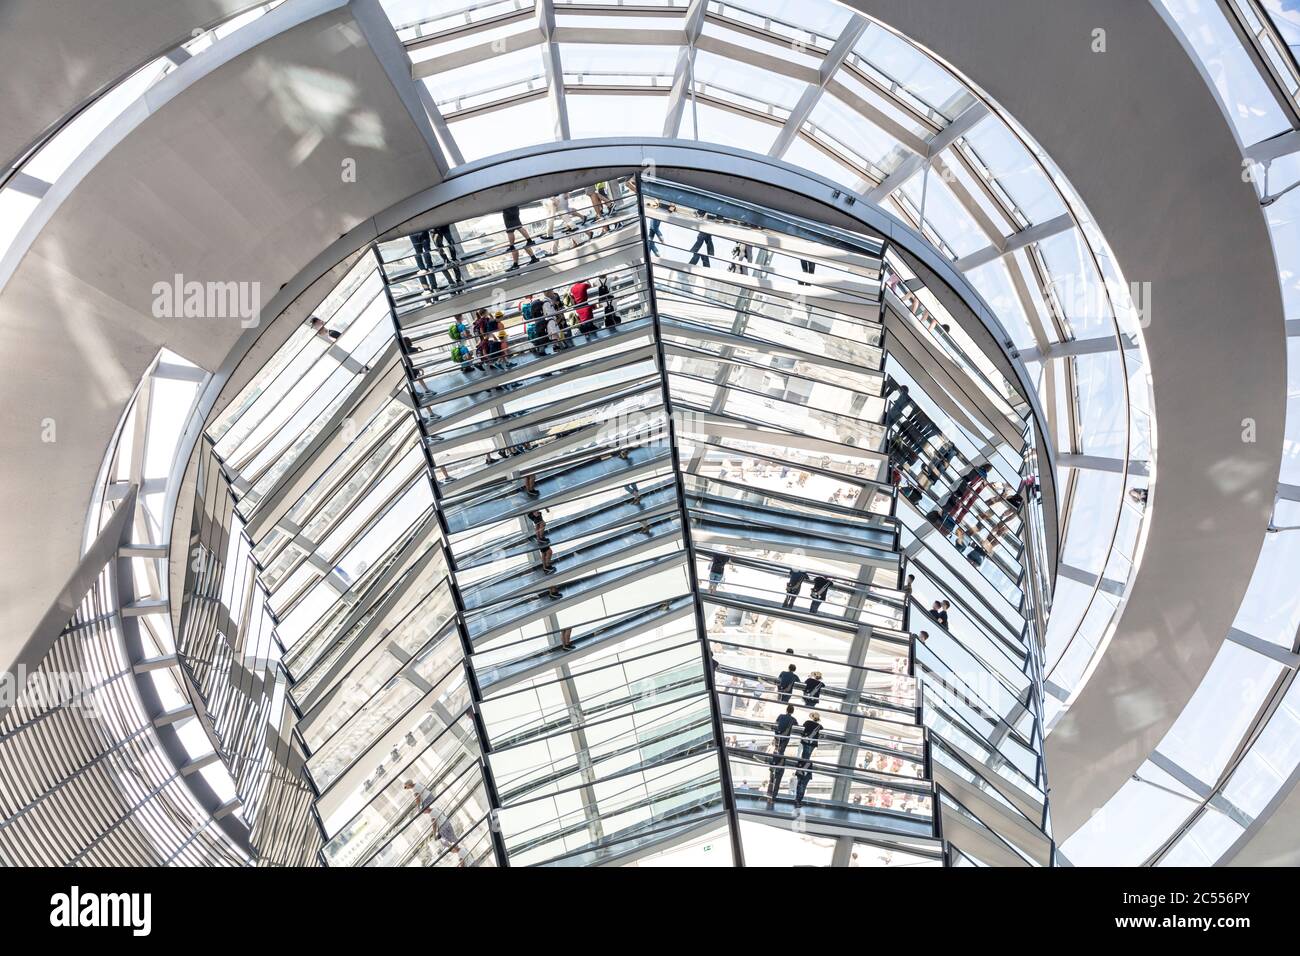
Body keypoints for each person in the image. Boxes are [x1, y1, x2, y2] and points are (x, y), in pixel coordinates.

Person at [768, 704, 799, 800]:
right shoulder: (792, 719)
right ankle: (773, 796)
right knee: (782, 749)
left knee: (777, 749)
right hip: (785, 738)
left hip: (778, 735)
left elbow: (776, 723)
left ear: (786, 710)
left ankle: (769, 794)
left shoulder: (781, 716)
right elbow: (797, 726)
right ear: (792, 711)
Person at [502, 204, 537, 270]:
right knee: (519, 226)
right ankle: (529, 241)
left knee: (510, 231)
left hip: (507, 210)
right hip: (515, 208)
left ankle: (512, 247)